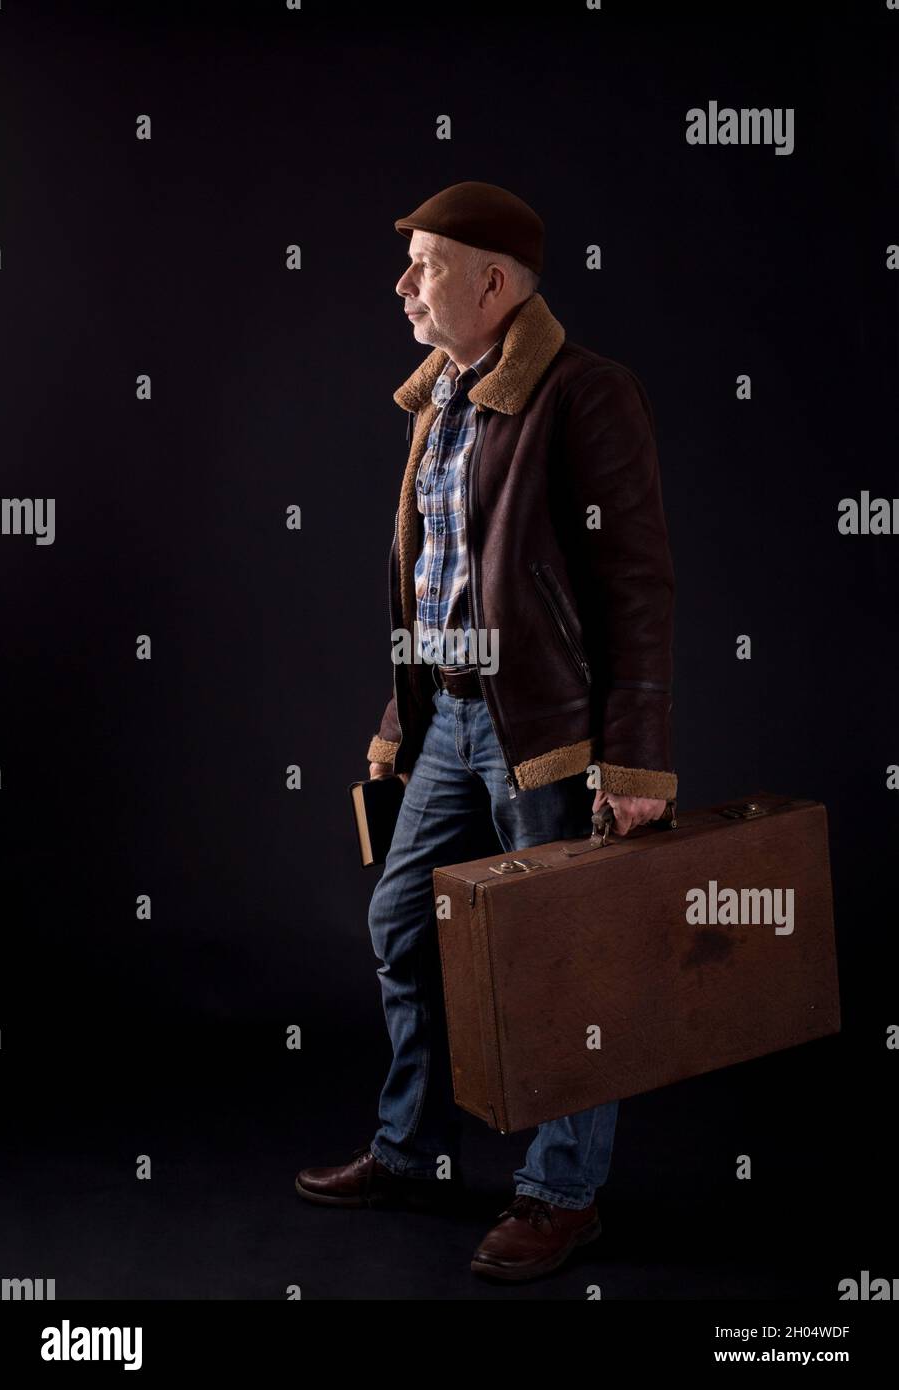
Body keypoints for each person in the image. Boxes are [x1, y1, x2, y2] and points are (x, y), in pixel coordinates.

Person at [296, 181, 677, 1283]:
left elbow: (635, 584)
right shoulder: (442, 404)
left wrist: (634, 757)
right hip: (450, 719)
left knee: (566, 964)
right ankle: (411, 1152)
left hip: (547, 735)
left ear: (493, 284)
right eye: (408, 266)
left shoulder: (587, 395)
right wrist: (395, 726)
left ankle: (560, 1193)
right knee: (404, 927)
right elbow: (434, 586)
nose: (403, 286)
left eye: (423, 266)